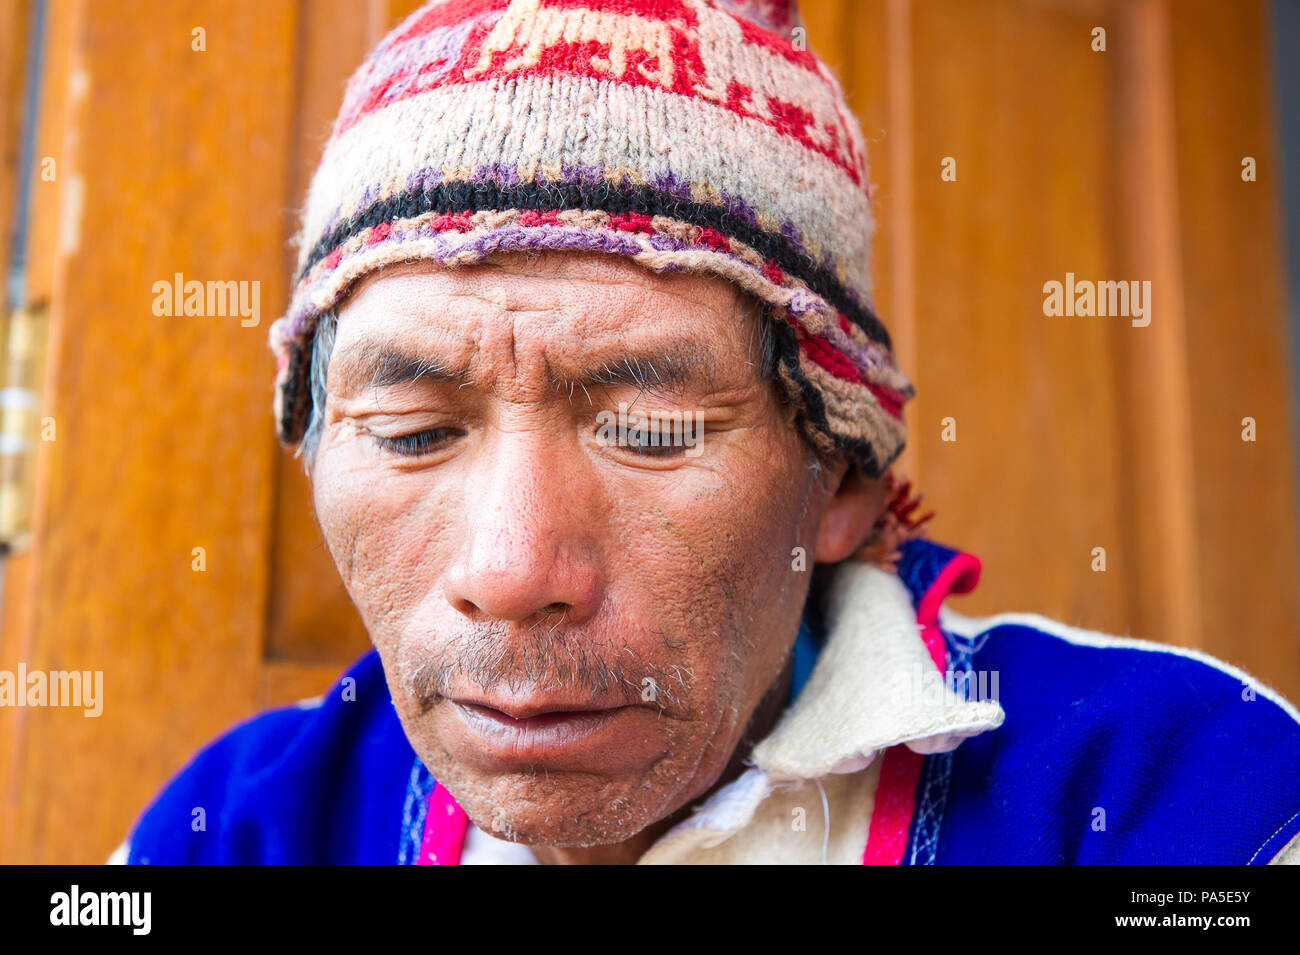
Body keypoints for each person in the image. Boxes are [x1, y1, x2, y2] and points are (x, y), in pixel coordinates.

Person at [116, 0, 1300, 864]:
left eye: (650, 427)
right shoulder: (235, 833)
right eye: (414, 431)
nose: (512, 570)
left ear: (841, 473)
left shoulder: (1184, 799)